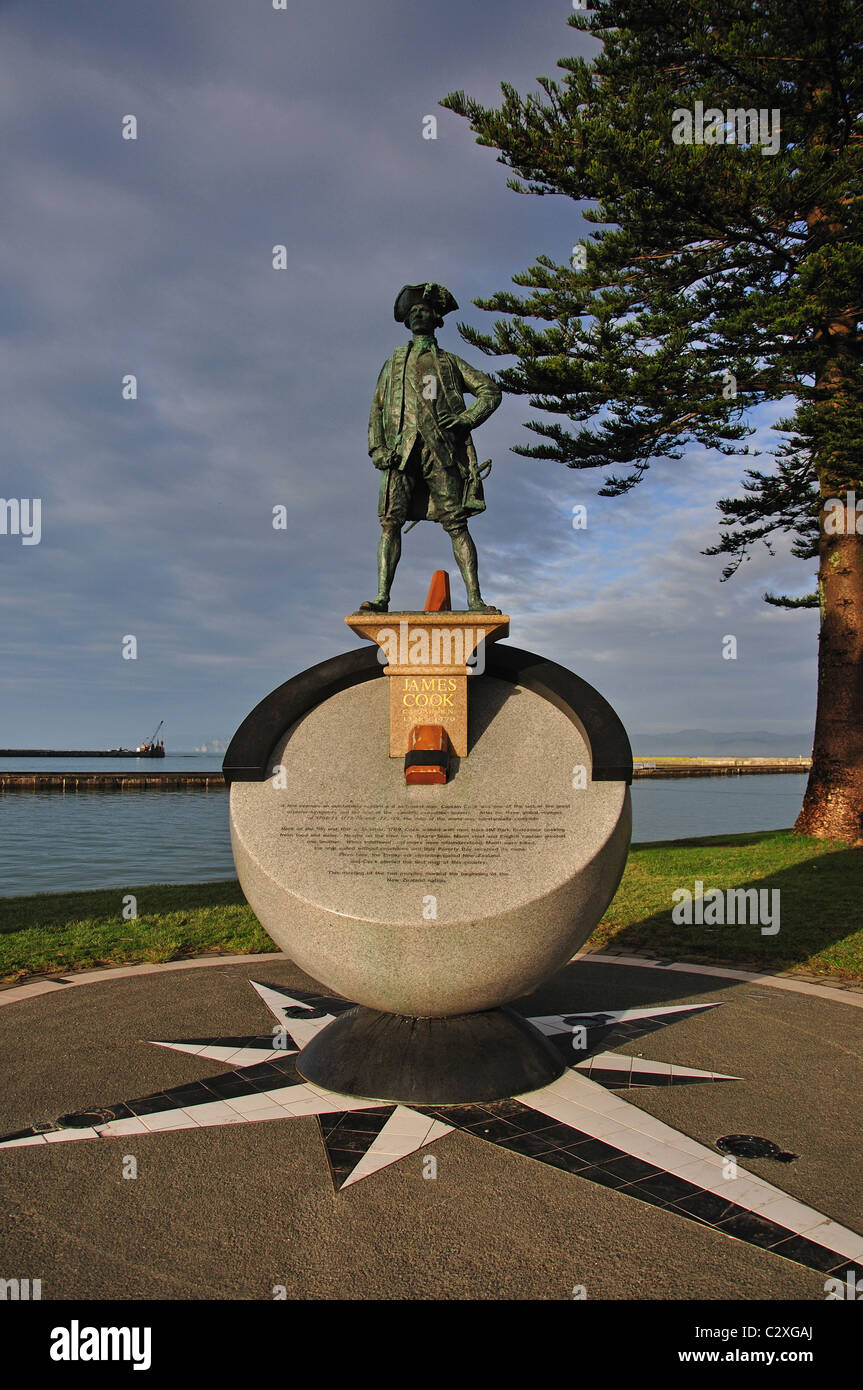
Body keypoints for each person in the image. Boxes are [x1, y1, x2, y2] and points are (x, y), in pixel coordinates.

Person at [360, 282, 502, 613]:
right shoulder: (393, 363)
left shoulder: (450, 362)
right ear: (407, 321)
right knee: (390, 522)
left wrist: (467, 419)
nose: (419, 315)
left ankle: (475, 598)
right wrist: (378, 451)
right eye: (413, 312)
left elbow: (490, 391)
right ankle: (382, 596)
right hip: (401, 451)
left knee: (457, 524)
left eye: (425, 310)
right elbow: (377, 409)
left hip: (440, 451)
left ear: (437, 319)